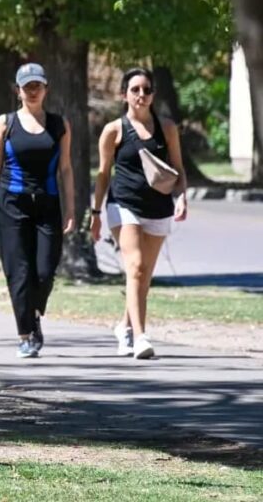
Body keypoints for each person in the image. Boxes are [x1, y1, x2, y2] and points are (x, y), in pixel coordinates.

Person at [0, 63, 75, 358]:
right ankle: (26, 334)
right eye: (27, 86)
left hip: (47, 203)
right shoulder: (5, 123)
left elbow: (67, 169)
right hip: (12, 204)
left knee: (45, 271)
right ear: (17, 90)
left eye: (38, 86)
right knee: (18, 272)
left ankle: (33, 313)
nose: (32, 91)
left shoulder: (59, 125)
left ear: (46, 89)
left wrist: (70, 210)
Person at [90, 68, 187, 359]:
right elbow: (103, 173)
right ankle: (141, 336)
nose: (141, 95)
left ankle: (124, 327)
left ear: (153, 94)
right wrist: (95, 212)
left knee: (143, 277)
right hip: (123, 204)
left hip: (158, 207)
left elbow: (180, 169)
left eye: (146, 90)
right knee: (136, 267)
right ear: (124, 95)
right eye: (135, 90)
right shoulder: (114, 130)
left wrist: (181, 197)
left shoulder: (167, 128)